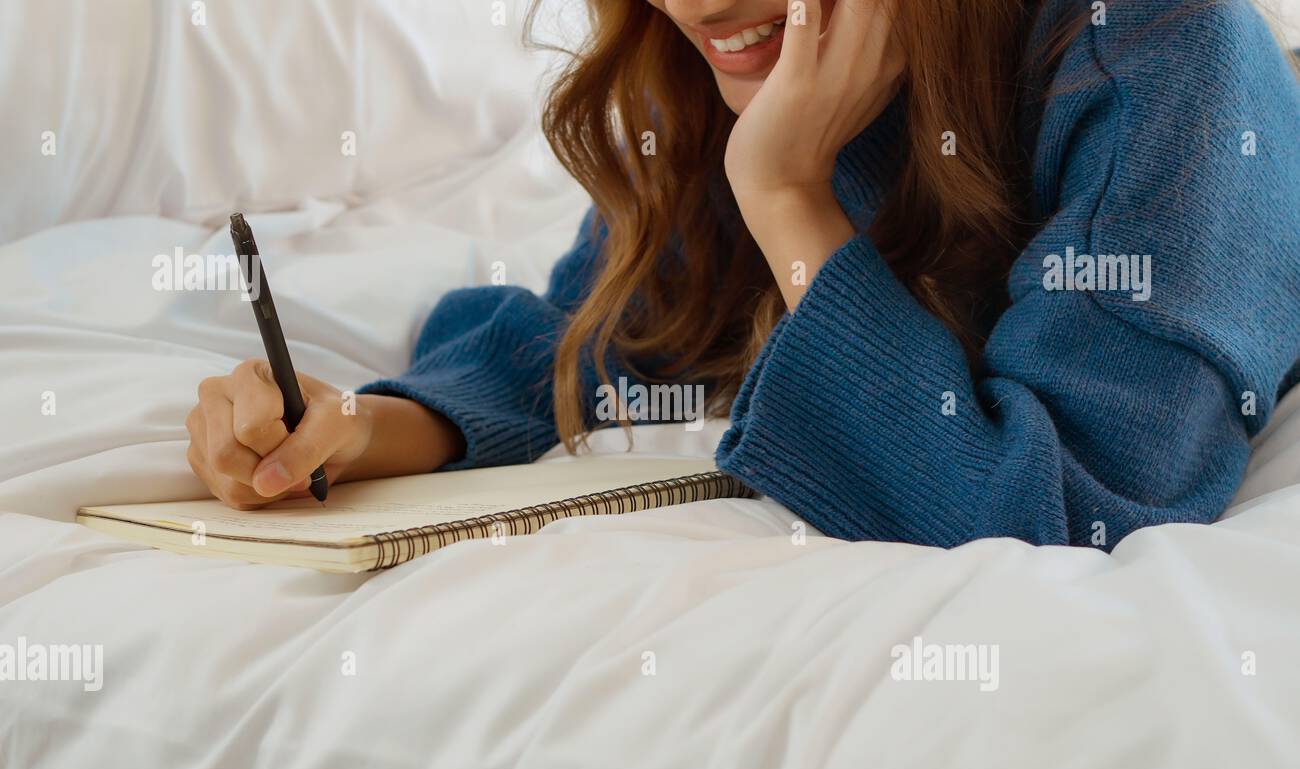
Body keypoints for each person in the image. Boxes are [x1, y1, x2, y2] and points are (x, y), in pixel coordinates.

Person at [185, 0, 1300, 549]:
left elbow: (1050, 506)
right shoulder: (758, 63)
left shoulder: (1164, 57)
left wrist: (786, 197)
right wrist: (351, 431)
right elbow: (607, 330)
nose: (701, 5)